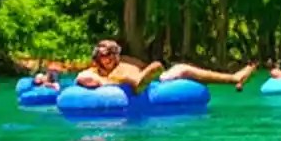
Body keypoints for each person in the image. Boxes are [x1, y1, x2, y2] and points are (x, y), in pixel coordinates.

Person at [75, 40, 256, 92]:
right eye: (103, 56)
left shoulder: (123, 65)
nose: (107, 59)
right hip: (125, 86)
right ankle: (141, 81)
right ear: (97, 58)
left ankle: (234, 78)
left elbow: (138, 71)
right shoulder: (93, 71)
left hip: (154, 83)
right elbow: (82, 78)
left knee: (182, 68)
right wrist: (104, 84)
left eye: (111, 54)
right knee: (138, 77)